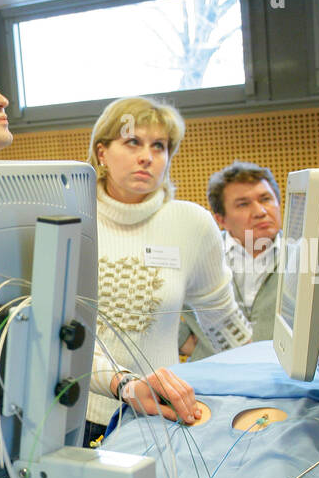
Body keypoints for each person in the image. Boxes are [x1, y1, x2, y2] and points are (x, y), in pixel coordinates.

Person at [0, 33, 203, 440]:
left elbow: (61, 330)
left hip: (20, 450)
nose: (1, 100)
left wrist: (126, 385)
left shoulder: (27, 211)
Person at [85, 96, 252, 442]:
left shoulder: (191, 223)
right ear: (102, 153)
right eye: (132, 142)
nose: (147, 156)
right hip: (78, 418)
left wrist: (265, 380)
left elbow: (223, 324)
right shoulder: (71, 217)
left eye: (158, 146)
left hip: (161, 416)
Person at [181, 160, 319, 360]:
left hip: (286, 383)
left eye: (265, 199)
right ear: (220, 219)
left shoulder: (311, 254)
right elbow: (156, 308)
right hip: (212, 380)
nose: (260, 212)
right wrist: (186, 342)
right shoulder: (196, 258)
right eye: (243, 204)